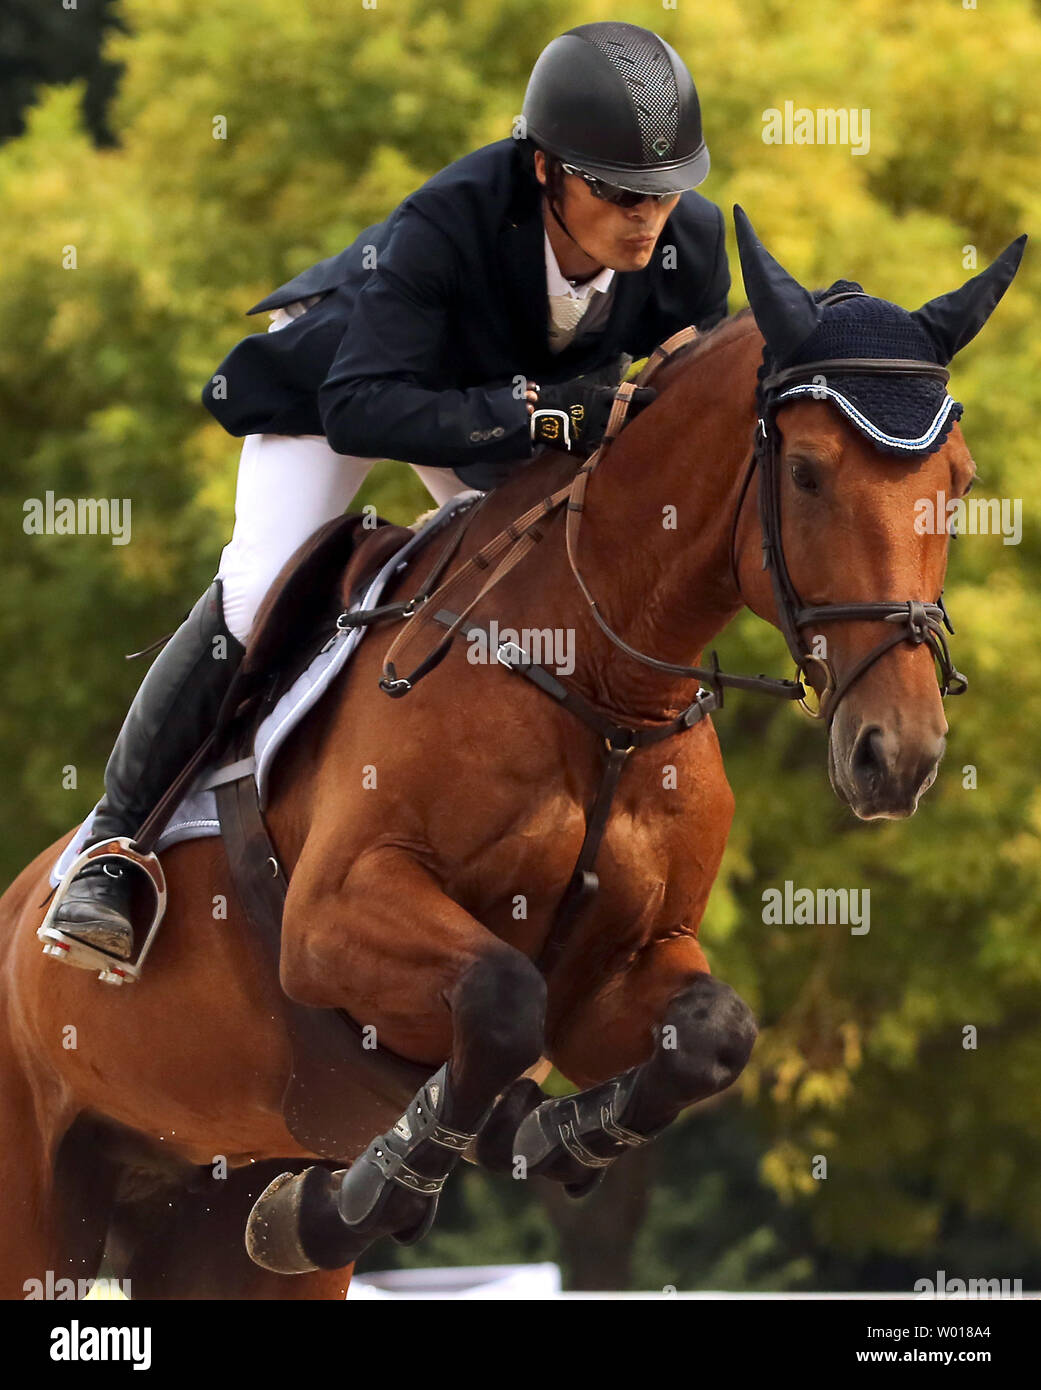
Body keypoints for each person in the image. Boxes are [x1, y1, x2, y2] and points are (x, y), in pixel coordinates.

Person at [52, 19, 731, 960]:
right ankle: (113, 845)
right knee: (259, 592)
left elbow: (683, 414)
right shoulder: (445, 224)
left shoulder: (689, 246)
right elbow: (364, 404)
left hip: (486, 402)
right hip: (342, 386)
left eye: (662, 191)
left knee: (537, 575)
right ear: (543, 169)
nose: (645, 218)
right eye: (616, 191)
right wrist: (537, 416)